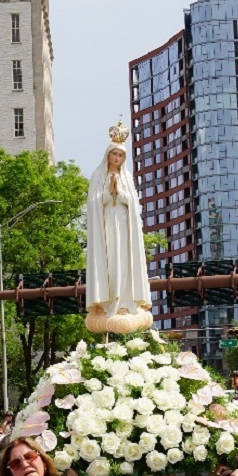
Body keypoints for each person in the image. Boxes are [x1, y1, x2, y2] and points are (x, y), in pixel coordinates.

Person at [84, 121, 152, 334]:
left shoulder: (127, 177)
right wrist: (108, 193)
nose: (117, 159)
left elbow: (133, 203)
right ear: (108, 156)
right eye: (114, 154)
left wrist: (119, 193)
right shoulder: (98, 176)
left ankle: (126, 302)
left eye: (121, 155)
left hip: (124, 226)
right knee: (111, 262)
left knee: (125, 261)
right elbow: (94, 204)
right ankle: (108, 302)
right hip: (106, 228)